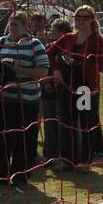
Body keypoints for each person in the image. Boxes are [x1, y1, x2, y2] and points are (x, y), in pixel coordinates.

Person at [0, 11, 50, 186]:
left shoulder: (35, 44)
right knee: (2, 138)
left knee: (25, 139)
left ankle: (20, 174)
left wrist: (18, 69)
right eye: (11, 23)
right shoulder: (2, 42)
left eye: (17, 24)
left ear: (25, 27)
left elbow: (43, 71)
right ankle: (2, 172)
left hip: (27, 100)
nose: (13, 27)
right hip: (4, 99)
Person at [47, 5, 103, 167]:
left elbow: (100, 65)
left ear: (92, 20)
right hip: (66, 86)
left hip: (85, 87)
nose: (81, 20)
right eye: (78, 17)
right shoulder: (67, 38)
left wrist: (77, 62)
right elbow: (49, 54)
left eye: (85, 17)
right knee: (67, 121)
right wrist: (57, 70)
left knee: (85, 122)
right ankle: (67, 160)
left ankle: (84, 160)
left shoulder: (97, 40)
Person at [39, 16, 70, 161]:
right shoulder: (48, 47)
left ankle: (64, 155)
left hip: (65, 90)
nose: (50, 32)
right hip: (48, 89)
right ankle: (50, 155)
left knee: (63, 123)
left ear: (62, 32)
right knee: (49, 122)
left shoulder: (70, 48)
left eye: (53, 30)